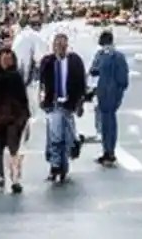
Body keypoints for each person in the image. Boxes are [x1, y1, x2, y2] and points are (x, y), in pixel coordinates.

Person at [0, 47, 31, 193]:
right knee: (0, 147)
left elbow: (23, 99)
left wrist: (24, 117)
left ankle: (14, 178)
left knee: (13, 148)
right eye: (5, 59)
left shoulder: (14, 76)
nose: (7, 62)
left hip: (13, 118)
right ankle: (2, 175)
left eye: (9, 59)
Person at [38, 33, 86, 183]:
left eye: (63, 45)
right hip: (53, 104)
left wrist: (80, 103)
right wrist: (41, 99)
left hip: (69, 104)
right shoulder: (47, 61)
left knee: (67, 137)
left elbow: (81, 83)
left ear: (67, 46)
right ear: (53, 46)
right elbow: (42, 83)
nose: (60, 48)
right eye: (57, 45)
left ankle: (65, 160)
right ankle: (55, 166)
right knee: (55, 137)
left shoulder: (75, 61)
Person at [90, 30, 130, 167]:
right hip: (107, 93)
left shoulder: (106, 56)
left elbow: (93, 71)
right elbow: (123, 80)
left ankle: (109, 151)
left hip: (107, 93)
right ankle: (107, 150)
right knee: (106, 123)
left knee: (108, 123)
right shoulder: (115, 56)